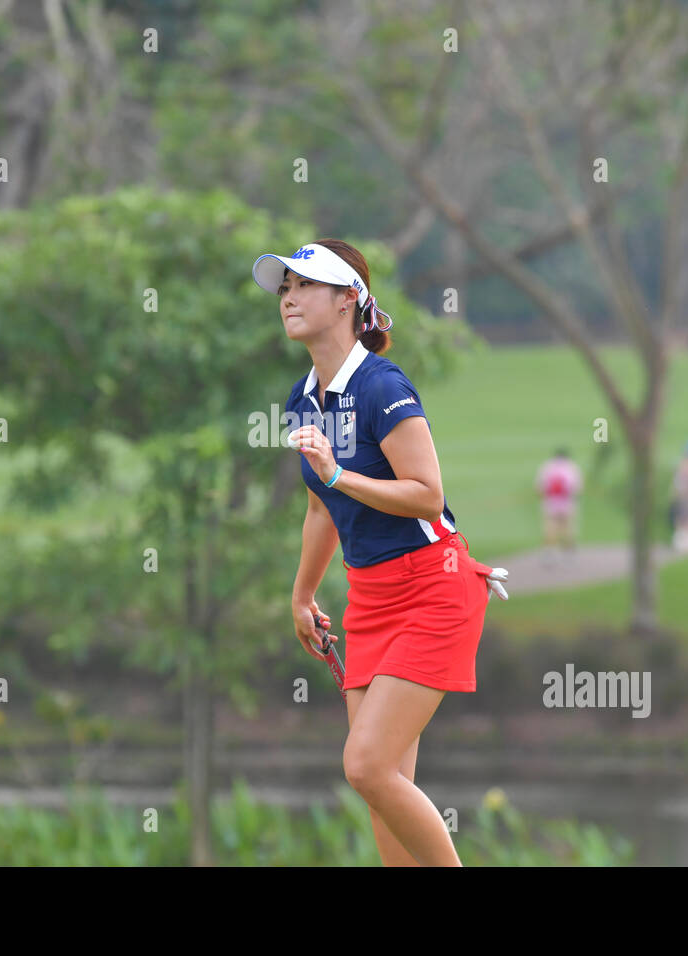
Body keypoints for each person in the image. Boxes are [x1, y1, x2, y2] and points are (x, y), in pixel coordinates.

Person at [252, 238, 509, 867]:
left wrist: (338, 474)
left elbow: (426, 496)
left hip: (433, 587)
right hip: (370, 597)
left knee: (365, 766)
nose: (289, 296)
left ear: (347, 301)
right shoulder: (303, 399)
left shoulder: (380, 384)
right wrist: (303, 594)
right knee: (383, 786)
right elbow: (321, 508)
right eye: (284, 287)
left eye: (304, 285)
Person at [535, 448, 582, 563]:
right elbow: (577, 488)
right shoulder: (571, 467)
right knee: (567, 530)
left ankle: (549, 554)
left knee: (550, 529)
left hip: (551, 503)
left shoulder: (547, 467)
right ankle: (569, 556)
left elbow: (540, 487)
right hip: (567, 504)